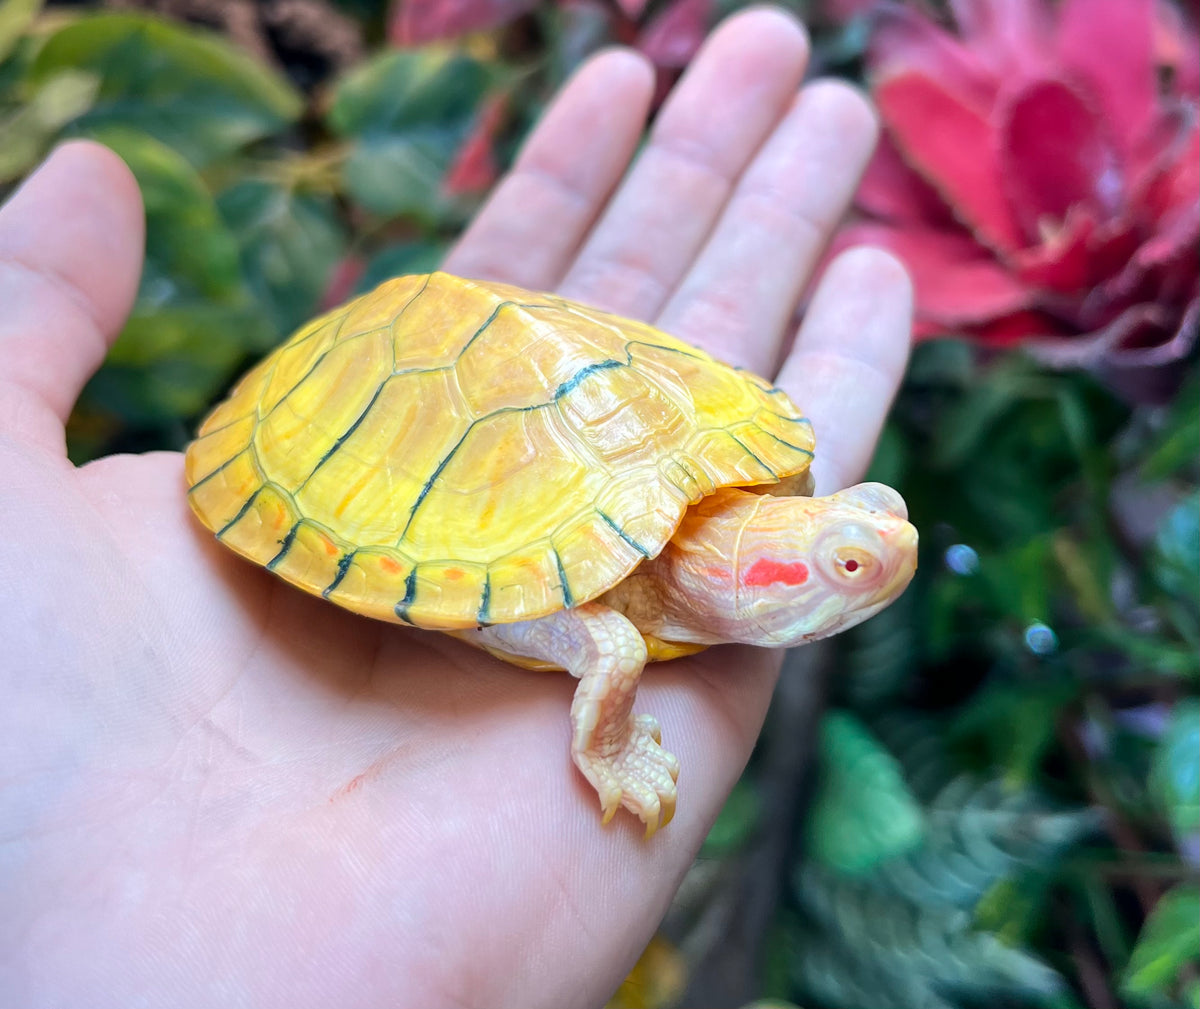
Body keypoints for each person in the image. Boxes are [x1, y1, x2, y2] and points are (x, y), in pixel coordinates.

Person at [0, 8, 912, 1007]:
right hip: (370, 399)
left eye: (851, 544)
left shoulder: (701, 547)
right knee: (607, 644)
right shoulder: (614, 627)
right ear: (772, 579)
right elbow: (608, 649)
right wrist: (608, 748)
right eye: (848, 563)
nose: (870, 556)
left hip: (580, 402)